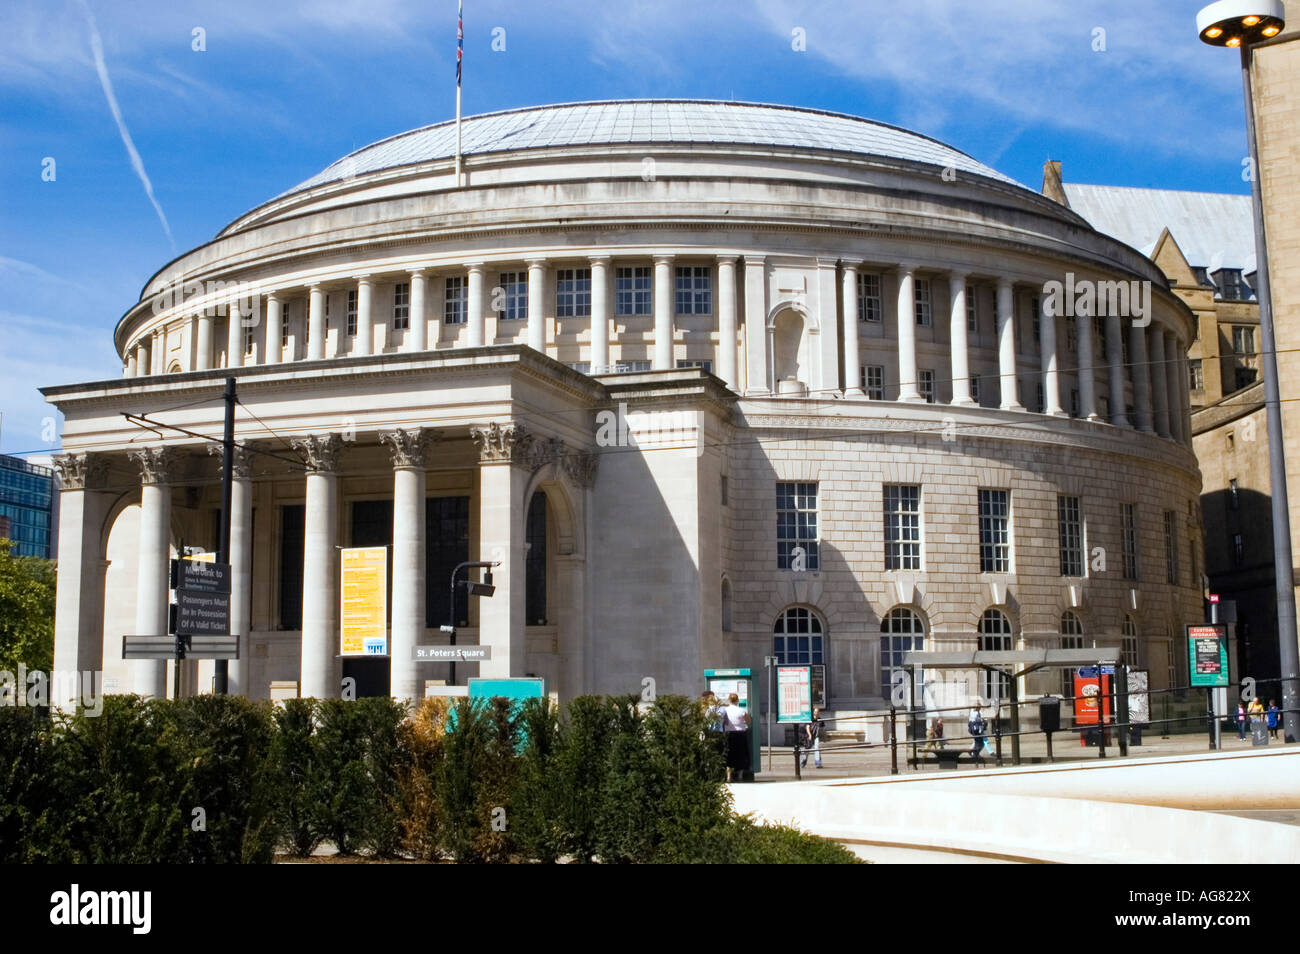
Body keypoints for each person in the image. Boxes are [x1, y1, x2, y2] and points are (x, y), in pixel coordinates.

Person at [723, 693, 751, 782]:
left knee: (729, 755)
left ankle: (728, 776)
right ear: (737, 700)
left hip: (728, 734)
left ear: (729, 700)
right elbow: (748, 721)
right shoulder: (741, 710)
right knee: (741, 755)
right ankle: (740, 776)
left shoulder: (725, 710)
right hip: (740, 734)